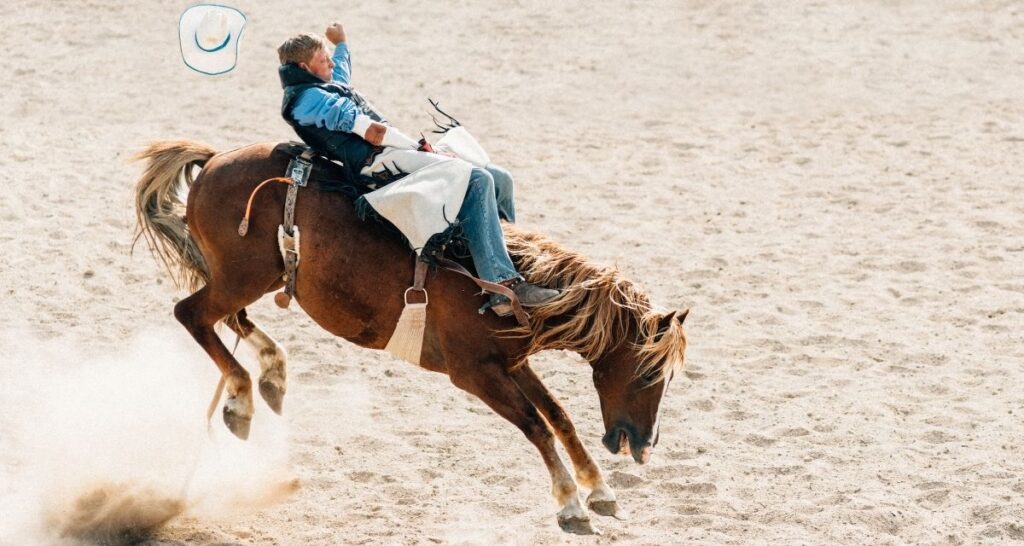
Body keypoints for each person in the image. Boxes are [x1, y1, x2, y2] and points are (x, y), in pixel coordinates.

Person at [276, 22, 558, 312]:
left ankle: (504, 254)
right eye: (324, 59)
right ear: (304, 67)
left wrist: (341, 44)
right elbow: (374, 133)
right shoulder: (308, 101)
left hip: (391, 151)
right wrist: (421, 148)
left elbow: (341, 74)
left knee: (500, 178)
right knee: (477, 180)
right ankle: (502, 287)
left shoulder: (317, 83)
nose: (331, 63)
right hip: (378, 164)